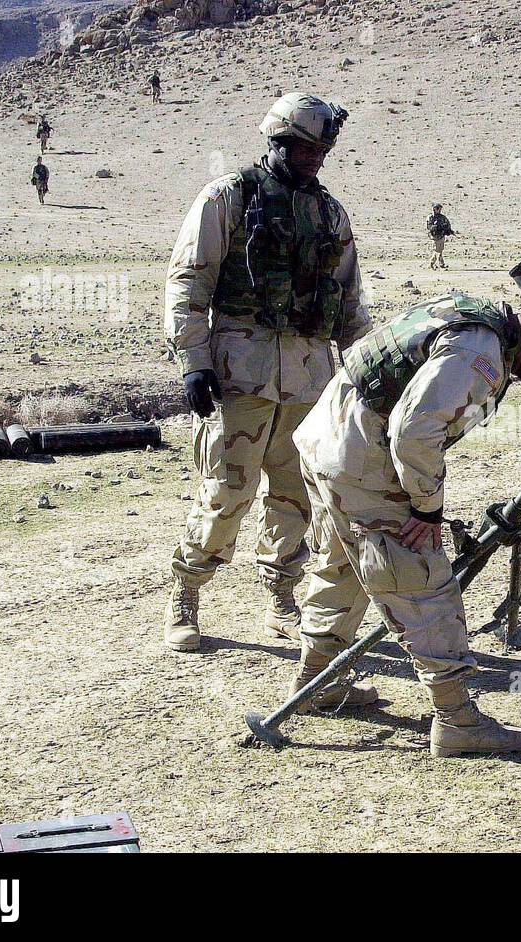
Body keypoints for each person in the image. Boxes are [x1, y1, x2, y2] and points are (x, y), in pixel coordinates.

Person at [290, 283, 521, 756]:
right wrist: (425, 507)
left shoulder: (477, 318)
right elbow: (415, 433)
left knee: (344, 566)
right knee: (420, 579)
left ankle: (317, 681)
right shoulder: (479, 355)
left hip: (330, 437)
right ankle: (457, 720)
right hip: (362, 455)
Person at [163, 94, 372, 655]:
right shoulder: (230, 197)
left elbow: (350, 304)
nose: (316, 159)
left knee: (296, 499)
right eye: (306, 148)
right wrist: (193, 361)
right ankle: (185, 593)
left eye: (322, 150)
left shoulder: (331, 214)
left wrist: (365, 378)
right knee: (225, 493)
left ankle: (282, 596)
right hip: (239, 374)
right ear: (278, 142)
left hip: (309, 381)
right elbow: (189, 281)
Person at [426, 203, 455, 269]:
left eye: (440, 209)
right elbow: (429, 227)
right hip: (434, 236)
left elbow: (447, 224)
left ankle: (441, 263)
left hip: (441, 235)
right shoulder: (430, 217)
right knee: (437, 250)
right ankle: (431, 263)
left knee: (440, 250)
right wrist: (436, 227)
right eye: (438, 209)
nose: (439, 210)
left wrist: (449, 230)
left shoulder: (442, 217)